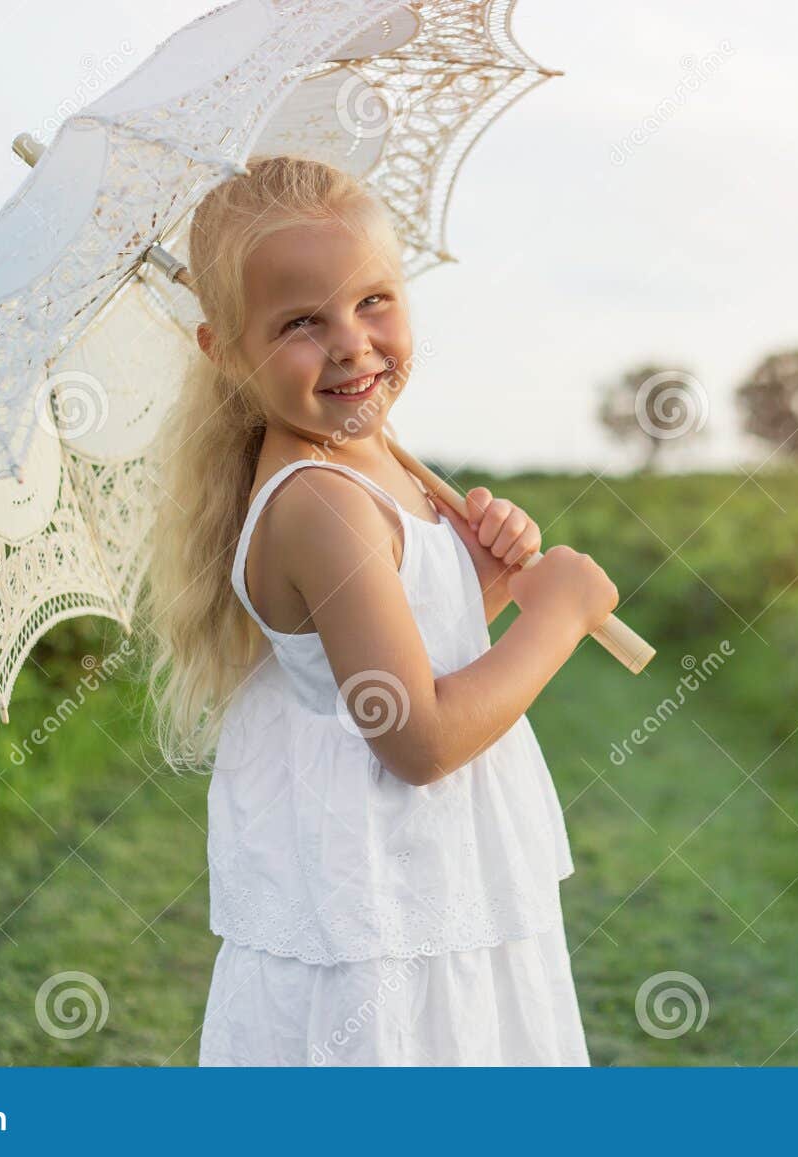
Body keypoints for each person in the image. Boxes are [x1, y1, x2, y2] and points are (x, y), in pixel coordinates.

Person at [142, 153, 619, 1065]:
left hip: (444, 889)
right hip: (384, 918)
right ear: (225, 350)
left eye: (373, 300)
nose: (352, 343)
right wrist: (553, 617)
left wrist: (475, 576)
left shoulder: (376, 457)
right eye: (300, 324)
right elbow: (418, 736)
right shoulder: (319, 503)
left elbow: (402, 641)